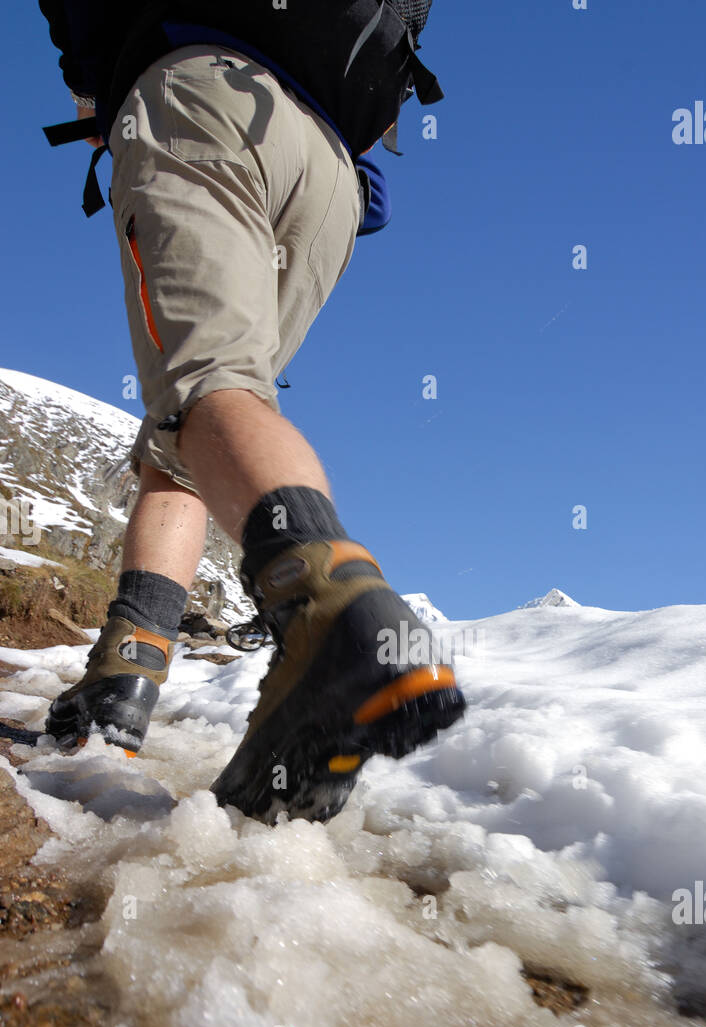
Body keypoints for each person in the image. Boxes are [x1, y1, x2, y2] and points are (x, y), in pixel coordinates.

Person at [38, 3, 465, 824]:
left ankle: (329, 620)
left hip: (205, 93)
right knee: (187, 438)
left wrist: (97, 91)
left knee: (204, 390)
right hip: (332, 180)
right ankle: (124, 676)